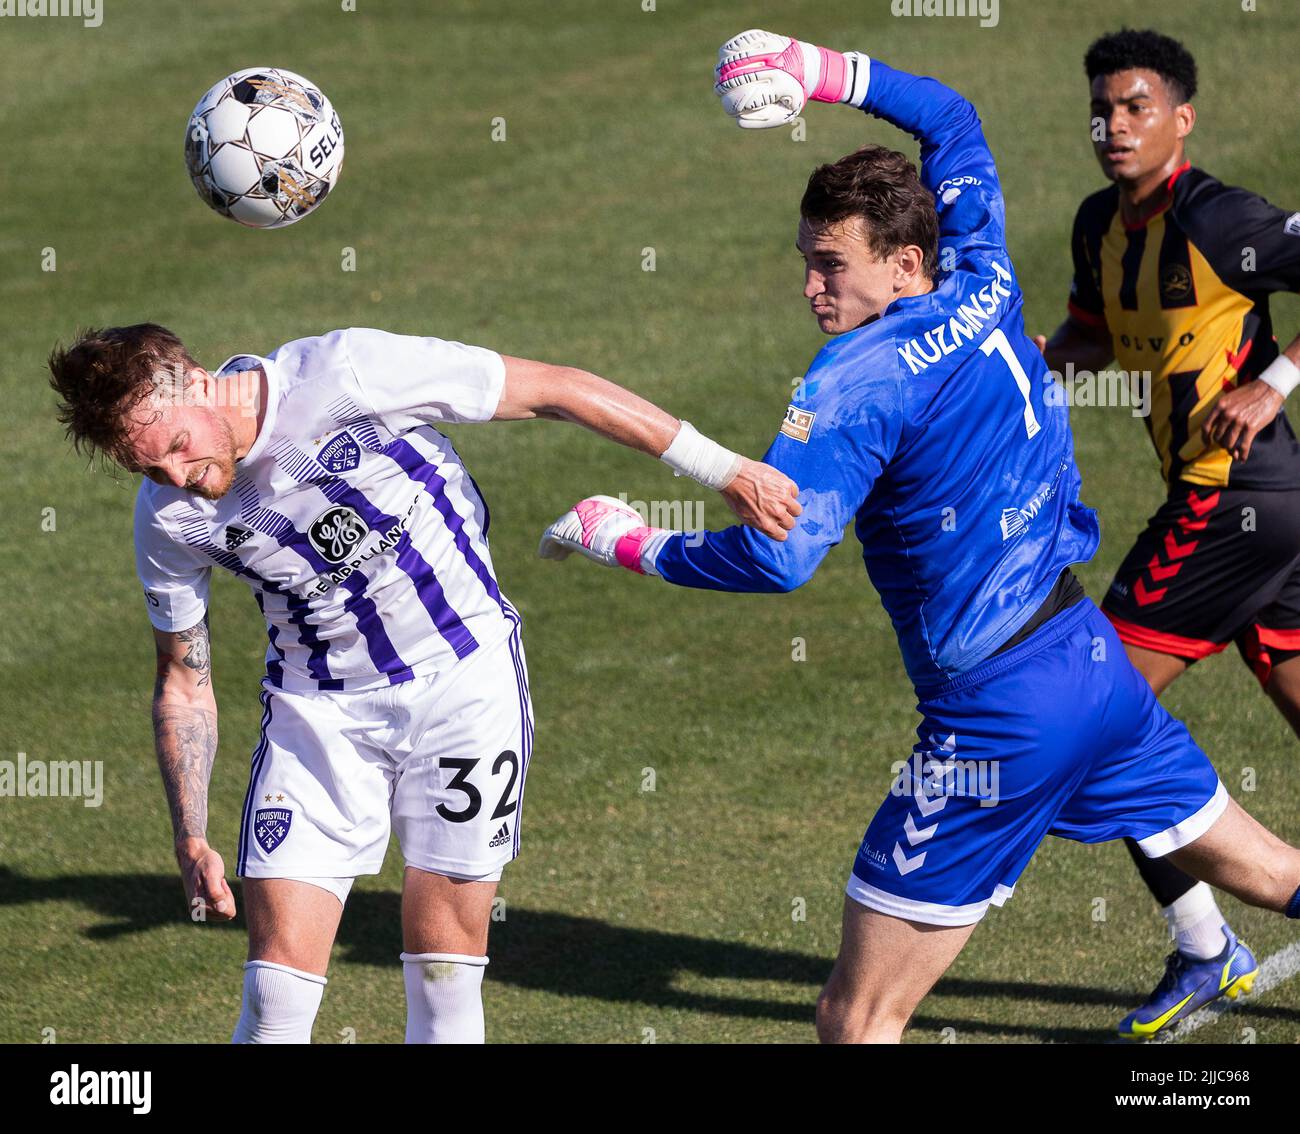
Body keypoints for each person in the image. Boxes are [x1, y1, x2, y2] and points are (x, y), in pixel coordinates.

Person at [538, 29, 1300, 1044]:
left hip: (992, 720)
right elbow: (948, 116)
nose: (810, 289)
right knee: (1272, 873)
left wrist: (629, 542)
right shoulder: (982, 270)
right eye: (805, 263)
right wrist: (816, 68)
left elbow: (782, 556)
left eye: (828, 267)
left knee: (856, 1020)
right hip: (1088, 667)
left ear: (902, 264)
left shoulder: (849, 385)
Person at [49, 323, 799, 1043]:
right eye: (150, 469)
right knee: (274, 991)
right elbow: (183, 676)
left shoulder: (346, 374)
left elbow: (556, 389)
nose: (180, 478)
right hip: (319, 720)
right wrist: (190, 834)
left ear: (204, 384)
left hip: (462, 689)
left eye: (178, 447)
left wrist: (725, 470)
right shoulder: (170, 518)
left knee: (443, 970)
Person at [1037, 27, 1300, 1038]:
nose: (1114, 125)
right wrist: (1008, 378)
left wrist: (1271, 382)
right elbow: (1092, 335)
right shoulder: (1098, 223)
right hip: (1252, 506)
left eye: (1136, 106)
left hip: (1232, 497)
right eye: (1102, 108)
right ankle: (1205, 947)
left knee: (1091, 719)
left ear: (1179, 119)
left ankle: (1204, 948)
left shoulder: (1221, 216)